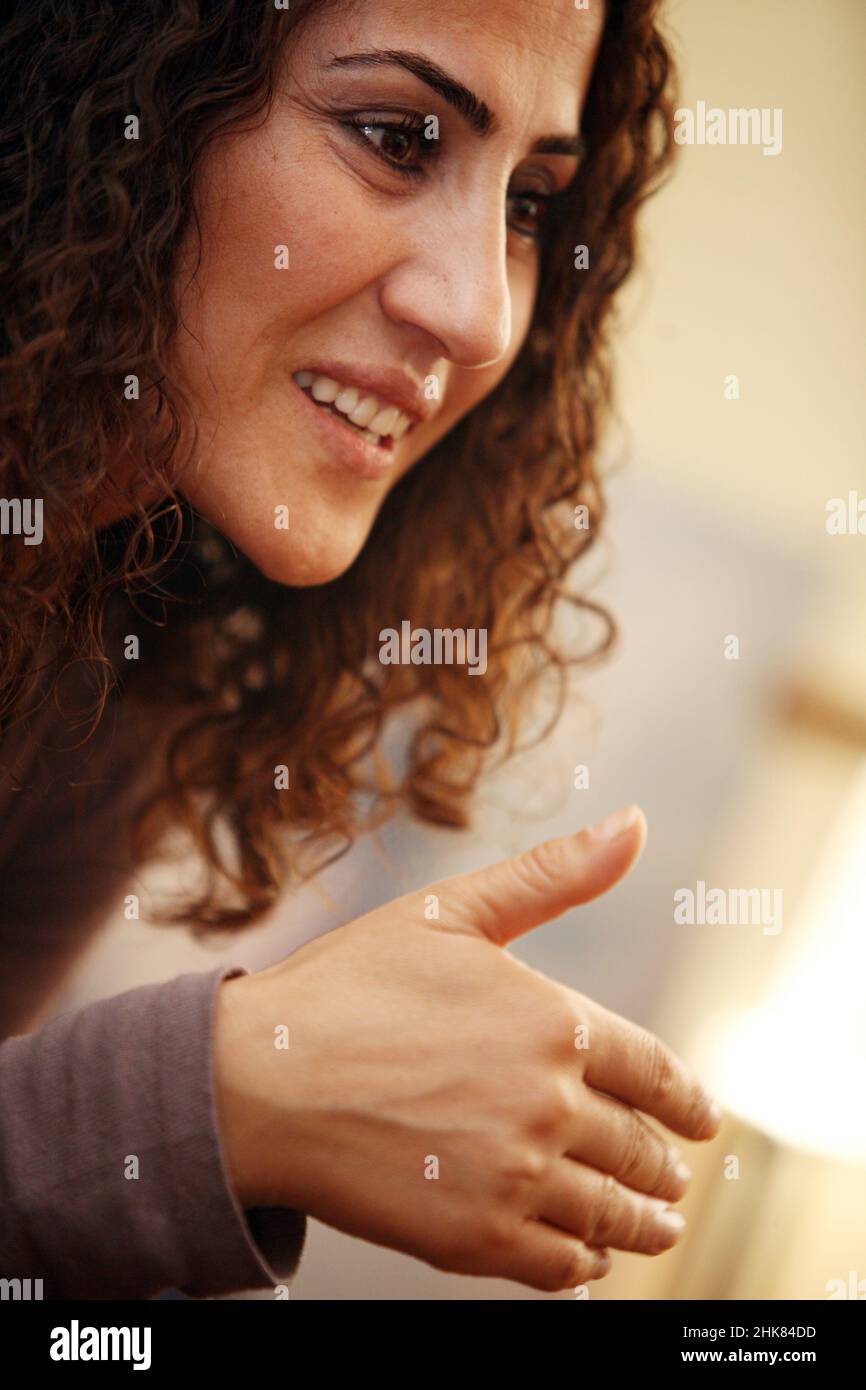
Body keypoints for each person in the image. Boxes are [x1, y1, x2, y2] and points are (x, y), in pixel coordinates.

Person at [0, 0, 720, 1299]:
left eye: (527, 204)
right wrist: (231, 1085)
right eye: (397, 136)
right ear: (111, 113)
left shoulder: (109, 660)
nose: (481, 319)